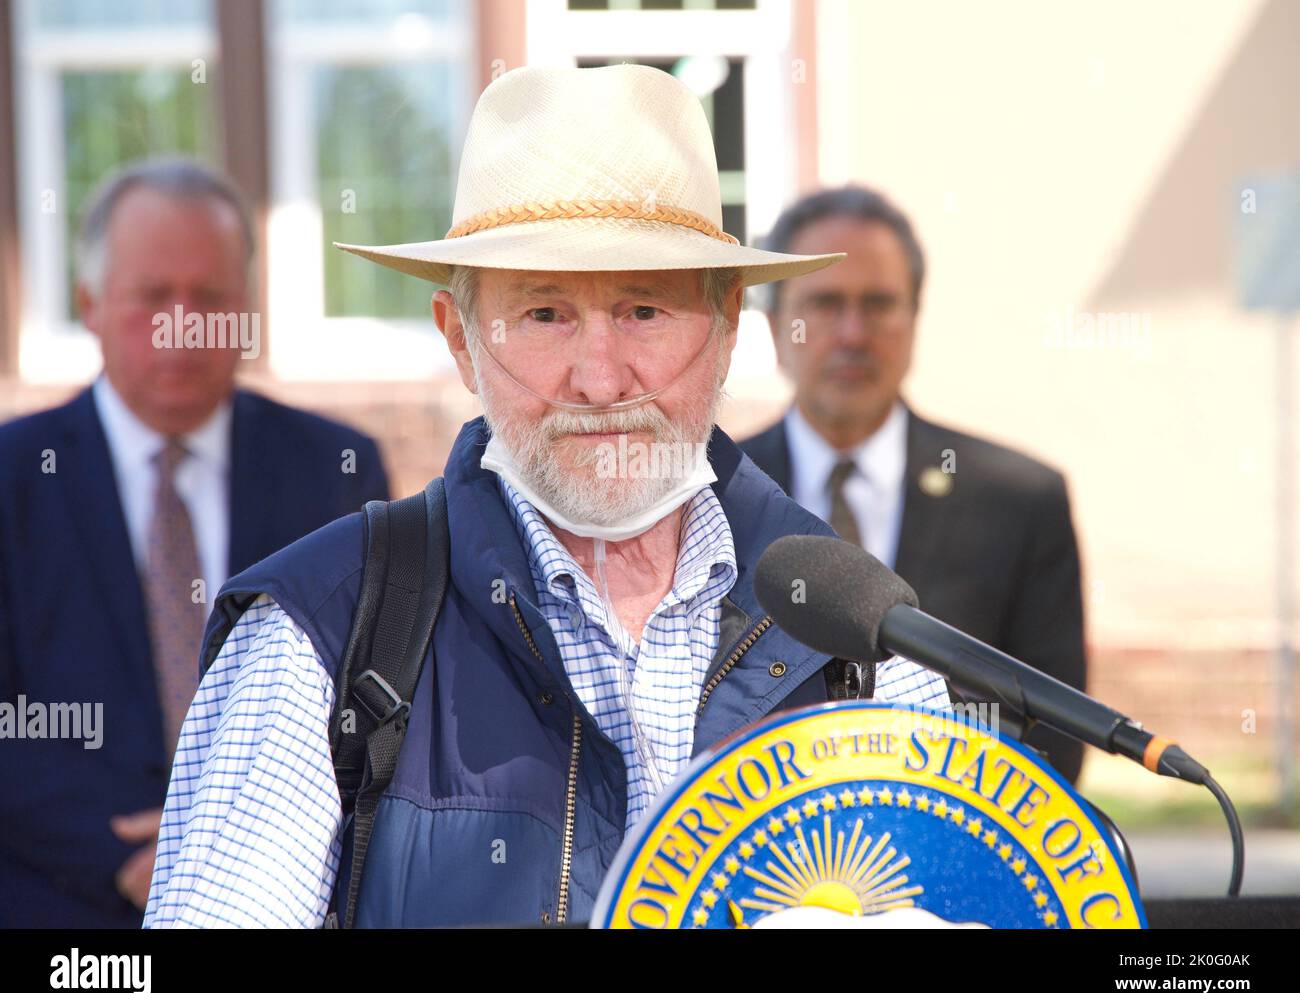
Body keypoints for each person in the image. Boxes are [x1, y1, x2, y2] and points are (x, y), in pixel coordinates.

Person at [143, 64, 953, 929]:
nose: (600, 381)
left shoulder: (860, 641)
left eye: (645, 310)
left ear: (725, 328)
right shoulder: (322, 632)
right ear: (461, 341)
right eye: (544, 315)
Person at [0, 158, 390, 928]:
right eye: (152, 298)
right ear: (89, 304)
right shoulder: (13, 478)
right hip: (60, 908)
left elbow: (377, 699)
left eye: (208, 298)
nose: (183, 324)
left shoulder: (336, 470)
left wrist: (234, 849)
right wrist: (130, 858)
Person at [739, 185, 1087, 786]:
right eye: (824, 304)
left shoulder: (1019, 502)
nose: (853, 333)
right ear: (775, 326)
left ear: (914, 318)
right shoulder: (719, 498)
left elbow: (1055, 738)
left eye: (878, 304)